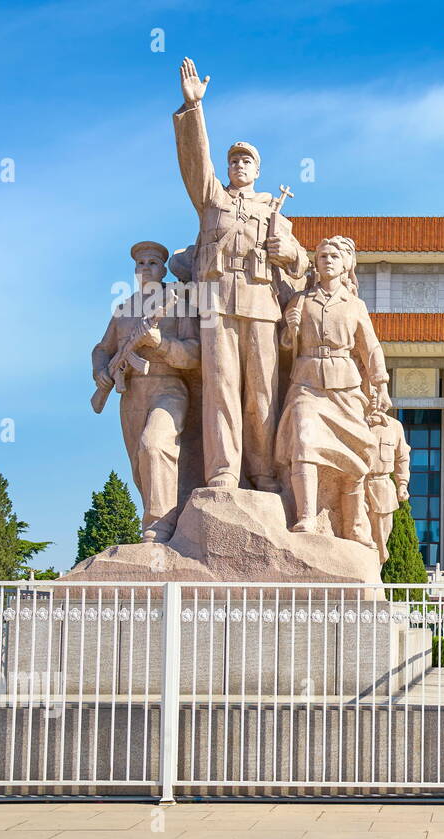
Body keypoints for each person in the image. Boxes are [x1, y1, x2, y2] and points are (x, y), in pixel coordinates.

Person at [173, 56, 308, 493]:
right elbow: (196, 163)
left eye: (246, 161)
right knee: (220, 389)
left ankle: (264, 473)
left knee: (263, 395)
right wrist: (194, 110)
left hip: (260, 303)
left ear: (258, 170)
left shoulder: (272, 209)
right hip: (216, 305)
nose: (238, 166)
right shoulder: (212, 199)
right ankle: (224, 471)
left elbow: (302, 264)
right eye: (233, 161)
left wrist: (288, 252)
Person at [276, 236, 390, 546]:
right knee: (303, 441)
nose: (327, 260)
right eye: (322, 255)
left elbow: (371, 347)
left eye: (334, 256)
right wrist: (291, 329)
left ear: (346, 265)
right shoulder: (300, 301)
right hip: (306, 383)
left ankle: (354, 525)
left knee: (357, 454)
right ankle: (307, 515)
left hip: (345, 386)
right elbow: (285, 350)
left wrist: (380, 382)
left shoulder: (354, 305)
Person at [91, 241, 200, 542]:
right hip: (131, 394)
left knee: (155, 445)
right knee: (141, 465)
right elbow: (103, 349)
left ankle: (158, 526)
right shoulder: (124, 309)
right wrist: (101, 371)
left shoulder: (178, 302)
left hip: (168, 386)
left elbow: (194, 354)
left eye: (152, 262)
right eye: (140, 264)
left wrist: (159, 343)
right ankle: (160, 519)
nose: (145, 268)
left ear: (164, 268)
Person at [365, 401, 411, 564]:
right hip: (356, 486)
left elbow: (402, 457)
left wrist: (402, 484)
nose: (374, 398)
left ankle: (374, 580)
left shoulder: (394, 427)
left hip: (382, 486)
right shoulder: (353, 420)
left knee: (381, 541)